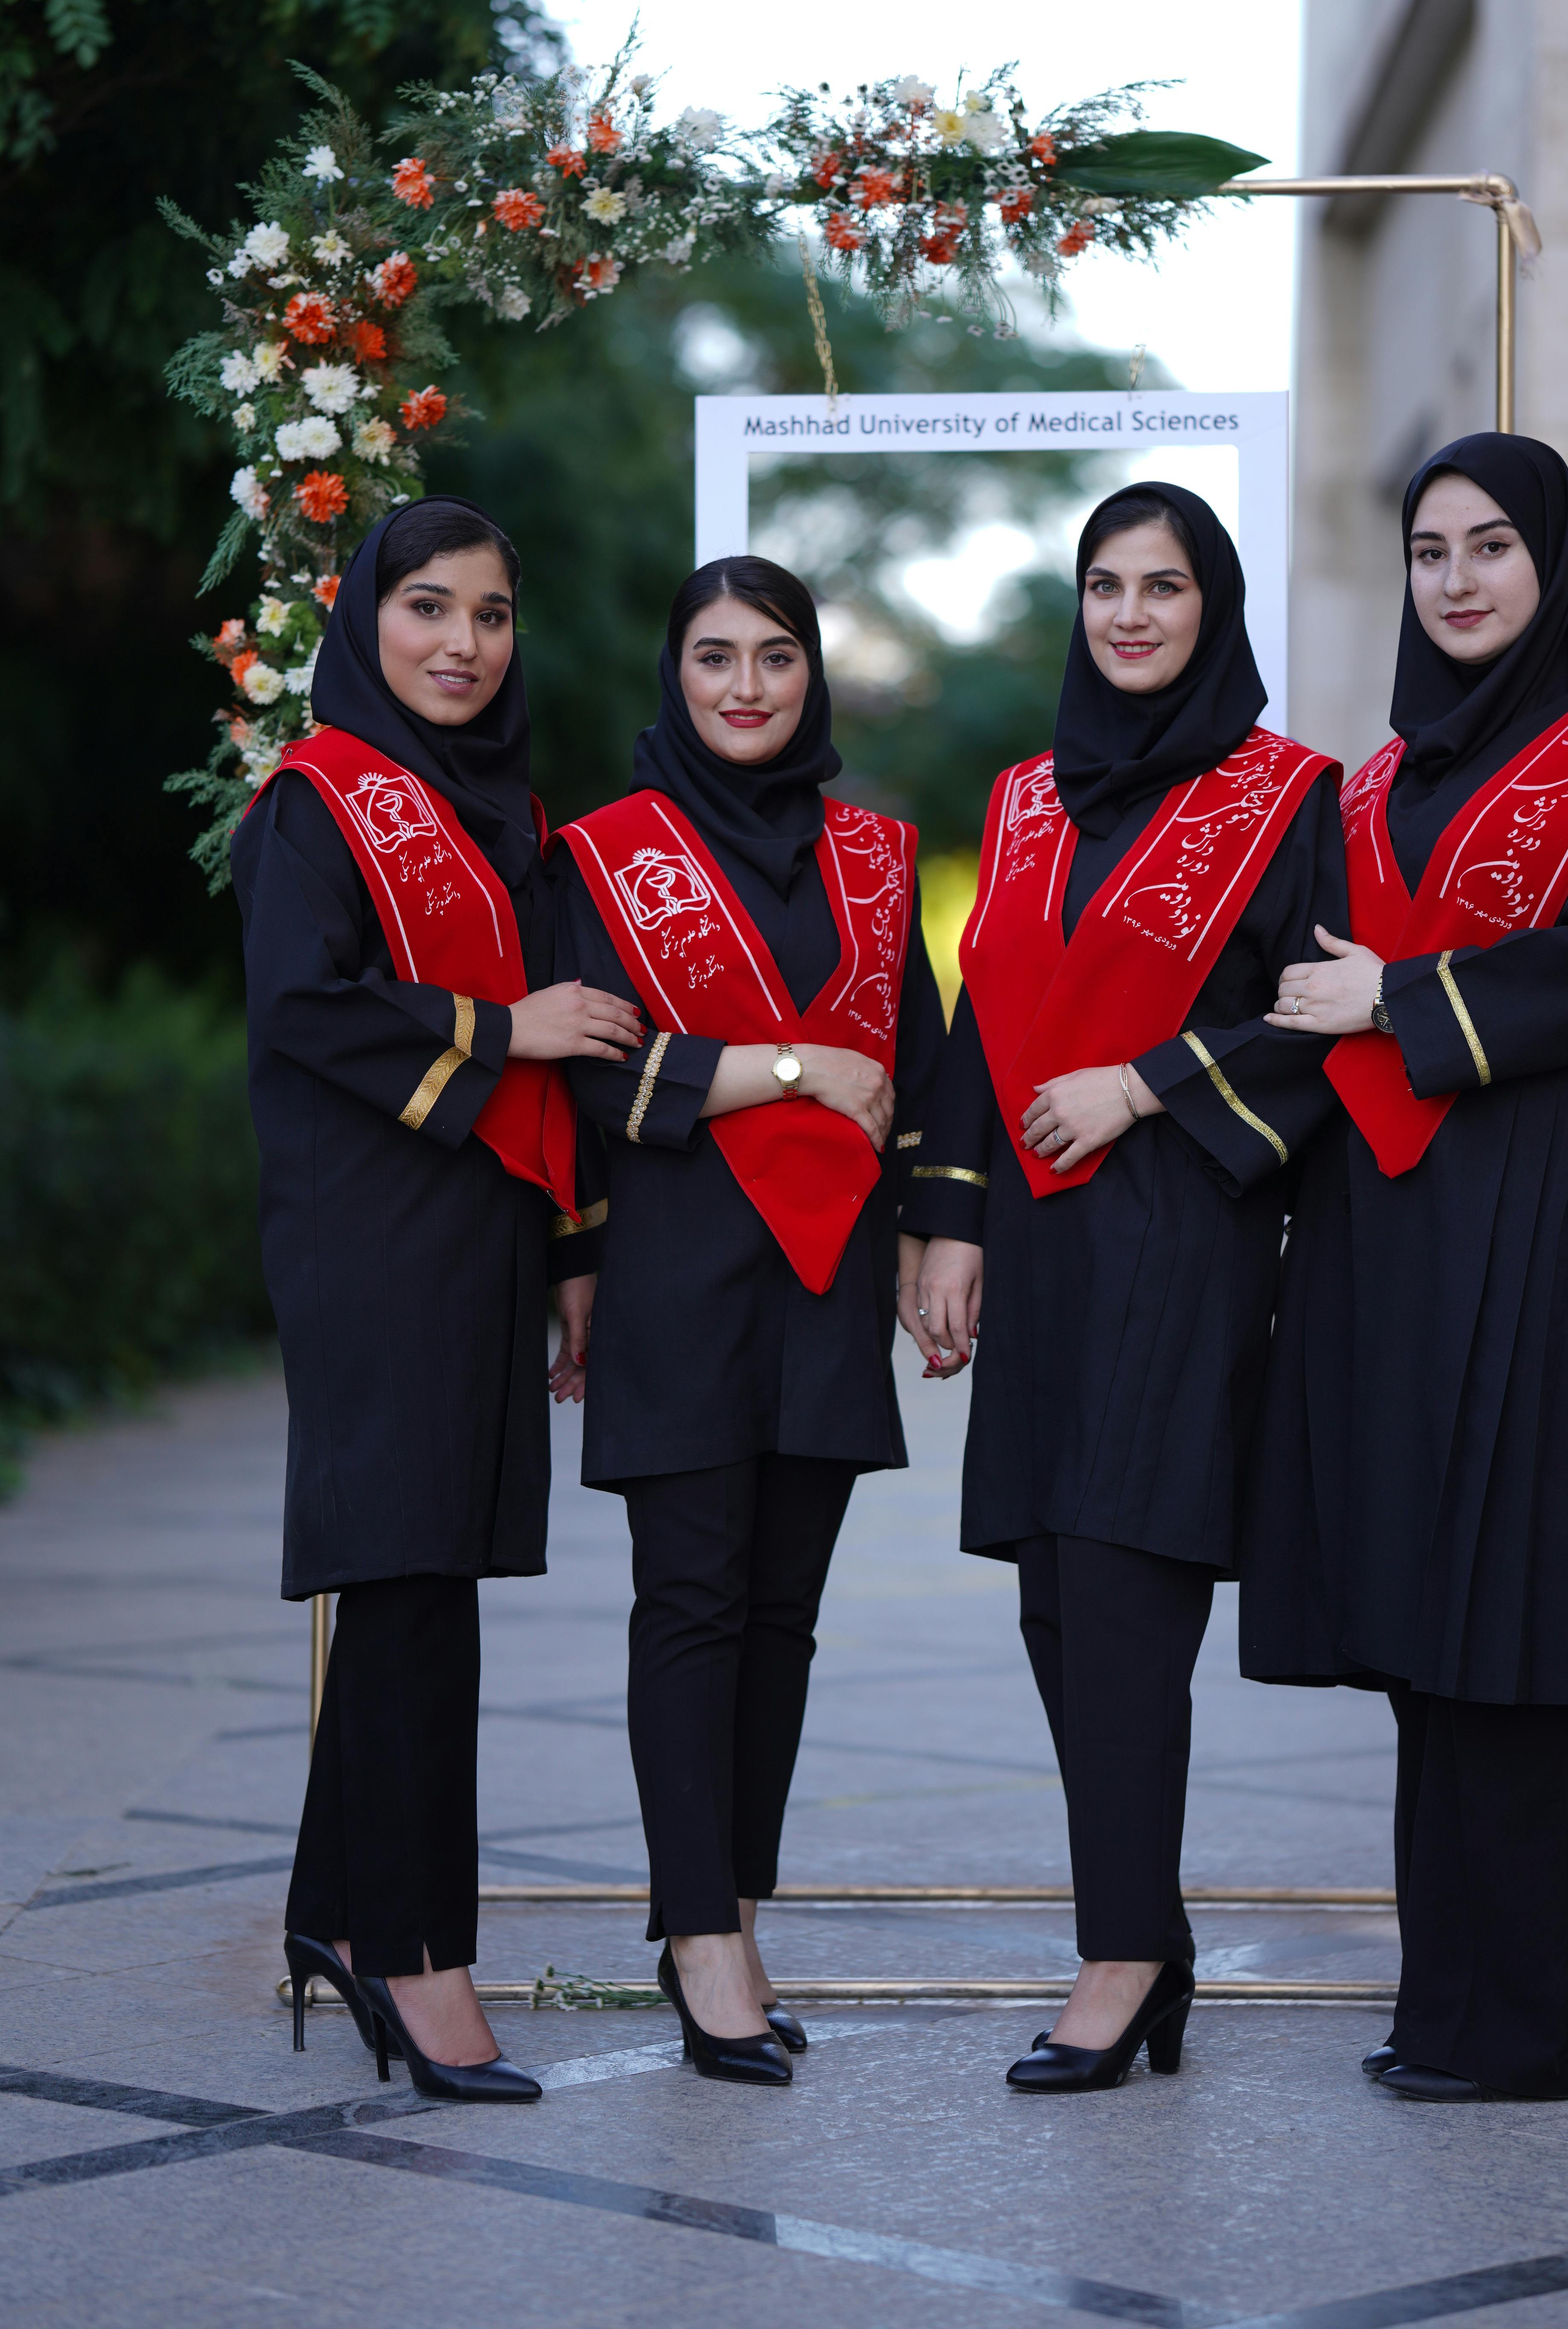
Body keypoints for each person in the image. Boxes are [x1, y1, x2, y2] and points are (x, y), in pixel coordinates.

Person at [1240, 432, 1568, 2104]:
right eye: (1427, 550)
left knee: (1507, 1614)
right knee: (1420, 1614)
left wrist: (1392, 1000)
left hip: (1545, 1222)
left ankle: (1527, 2027)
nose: (1453, 579)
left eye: (1488, 547)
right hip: (1388, 1234)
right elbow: (1293, 997)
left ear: (1549, 562)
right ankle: (1446, 2005)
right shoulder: (1373, 785)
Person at [902, 483, 1348, 2093]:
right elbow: (978, 1021)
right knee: (1052, 1593)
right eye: (1106, 585)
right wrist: (947, 1221)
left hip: (1182, 1228)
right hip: (1038, 1238)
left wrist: (1149, 1084)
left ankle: (1121, 1956)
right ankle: (1140, 1939)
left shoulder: (1294, 797)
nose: (1133, 615)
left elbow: (1320, 1013)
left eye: (1166, 587)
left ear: (1214, 609)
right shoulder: (1029, 797)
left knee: (1123, 1587)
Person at [233, 495, 640, 2104]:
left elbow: (573, 1036)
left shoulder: (498, 813)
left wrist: (577, 1252)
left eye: (488, 615)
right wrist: (496, 1028)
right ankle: (424, 1964)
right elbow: (303, 1014)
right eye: (427, 611)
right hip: (370, 1242)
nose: (462, 645)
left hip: (481, 1236)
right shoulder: (315, 808)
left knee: (429, 1582)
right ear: (366, 621)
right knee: (408, 1596)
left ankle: (334, 1912)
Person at [549, 553, 946, 2086]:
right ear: (678, 671)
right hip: (678, 1270)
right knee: (694, 1601)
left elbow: (909, 1049)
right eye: (714, 656)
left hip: (828, 1271)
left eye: (775, 658)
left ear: (811, 675)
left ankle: (740, 1909)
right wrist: (790, 1069)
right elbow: (593, 1073)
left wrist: (930, 1237)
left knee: (784, 1615)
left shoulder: (871, 854)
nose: (745, 688)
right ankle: (697, 1934)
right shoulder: (602, 856)